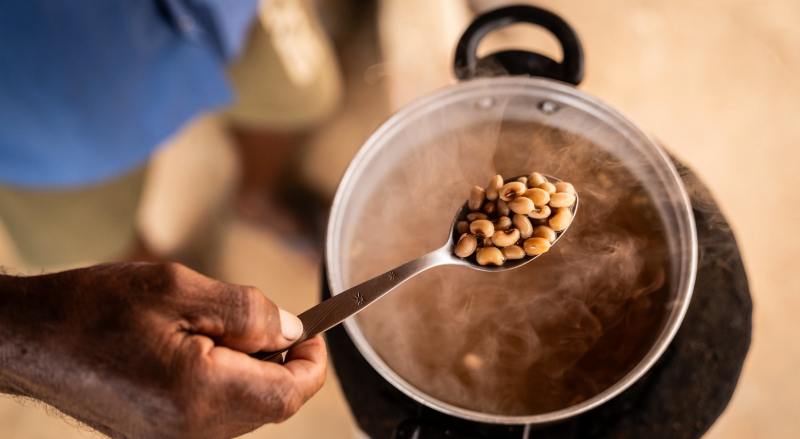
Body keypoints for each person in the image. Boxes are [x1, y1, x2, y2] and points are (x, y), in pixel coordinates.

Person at [0, 0, 341, 437]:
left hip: (232, 14)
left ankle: (257, 196)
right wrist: (30, 337)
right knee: (107, 261)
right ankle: (173, 303)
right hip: (37, 106)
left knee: (295, 101)